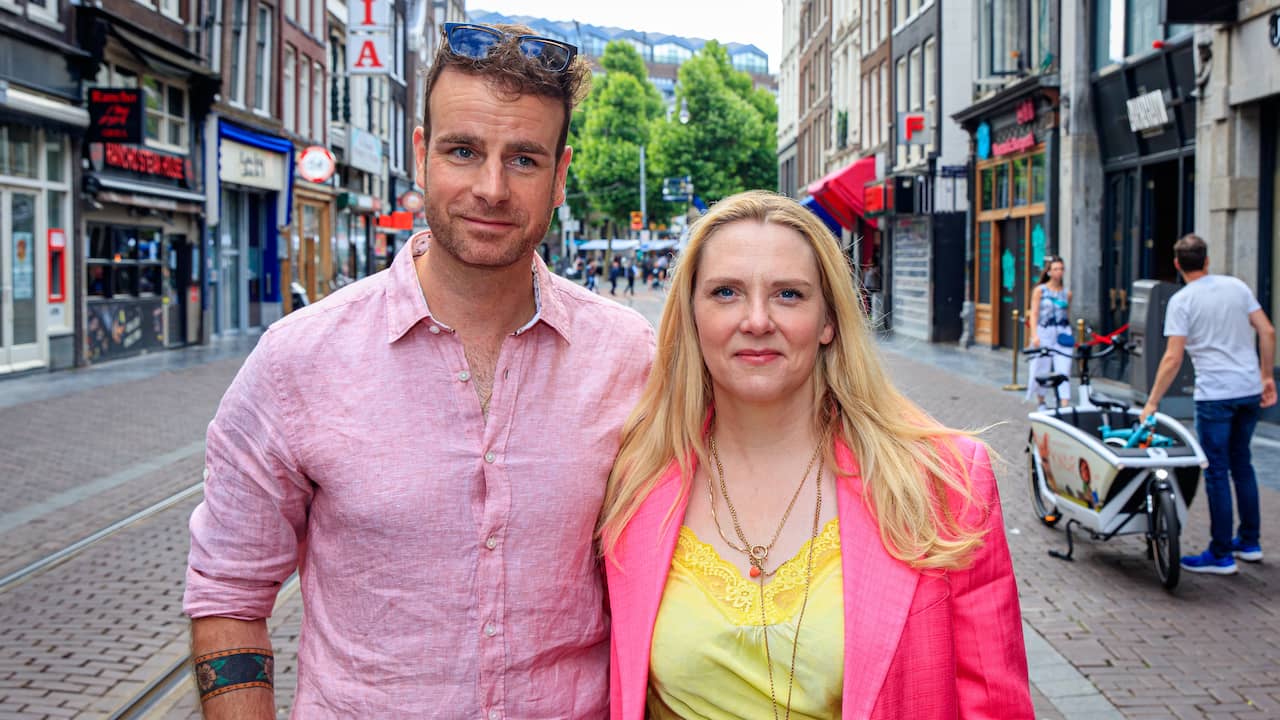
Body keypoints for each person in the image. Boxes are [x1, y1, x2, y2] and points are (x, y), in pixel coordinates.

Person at [184, 22, 655, 718]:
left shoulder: (630, 358)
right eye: (464, 151)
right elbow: (227, 595)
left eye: (524, 160)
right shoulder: (298, 360)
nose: (491, 188)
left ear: (561, 177)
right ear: (420, 155)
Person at [598, 191, 1032, 720]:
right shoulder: (633, 480)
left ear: (828, 320)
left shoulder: (945, 483)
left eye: (788, 294)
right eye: (726, 292)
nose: (756, 320)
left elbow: (994, 704)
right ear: (691, 316)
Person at [1142, 234, 1276, 575]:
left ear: (1176, 264)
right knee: (1242, 464)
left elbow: (1173, 357)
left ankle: (1221, 554)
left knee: (1217, 471)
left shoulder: (1182, 301)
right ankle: (1249, 542)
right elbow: (1268, 331)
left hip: (1215, 394)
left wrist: (1153, 401)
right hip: (1247, 390)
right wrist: (1266, 377)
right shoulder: (1237, 287)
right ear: (1207, 260)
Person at [1025, 256, 1073, 409]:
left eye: (1061, 269)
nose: (1059, 272)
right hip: (1044, 331)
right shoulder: (1040, 291)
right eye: (1055, 269)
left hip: (1062, 332)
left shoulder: (1067, 293)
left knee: (1064, 367)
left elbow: (1067, 313)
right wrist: (1034, 335)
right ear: (1049, 272)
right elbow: (1034, 313)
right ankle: (1041, 400)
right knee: (1042, 366)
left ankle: (1065, 403)